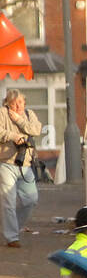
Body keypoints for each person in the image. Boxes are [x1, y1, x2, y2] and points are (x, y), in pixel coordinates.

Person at [0, 89, 42, 248]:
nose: (18, 106)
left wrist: (19, 120)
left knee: (31, 199)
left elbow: (36, 130)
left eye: (20, 103)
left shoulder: (30, 114)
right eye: (13, 104)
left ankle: (11, 226)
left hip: (25, 165)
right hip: (6, 163)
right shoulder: (2, 114)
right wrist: (13, 136)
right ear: (7, 104)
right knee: (8, 202)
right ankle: (12, 237)